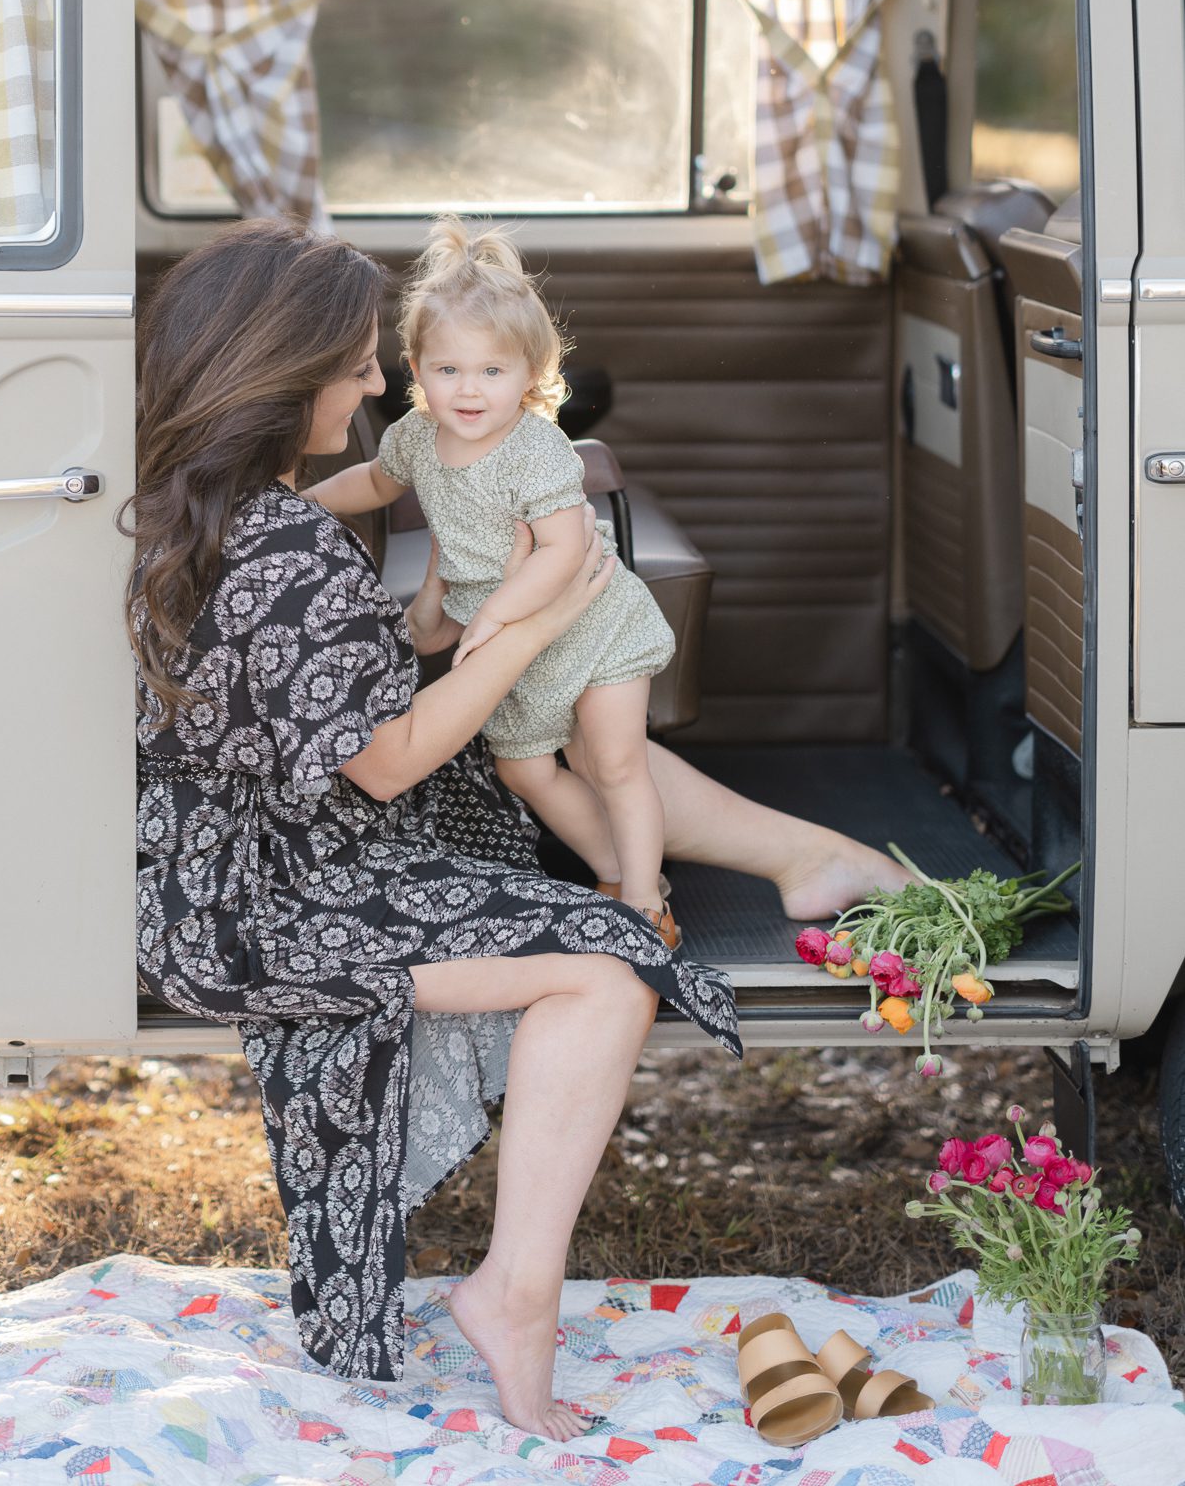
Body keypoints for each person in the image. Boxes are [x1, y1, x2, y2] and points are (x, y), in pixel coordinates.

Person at [126, 218, 908, 1441]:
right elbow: (383, 764)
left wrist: (458, 630)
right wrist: (527, 632)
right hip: (258, 897)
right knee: (610, 971)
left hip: (260, 838)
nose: (380, 380)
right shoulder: (281, 547)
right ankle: (514, 1293)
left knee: (528, 731)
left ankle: (799, 855)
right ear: (283, 370)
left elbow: (334, 688)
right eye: (358, 361)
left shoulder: (227, 504)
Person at [306, 215, 682, 947]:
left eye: (492, 371)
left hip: (590, 625)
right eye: (447, 371)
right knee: (523, 771)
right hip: (512, 643)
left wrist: (494, 617)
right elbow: (377, 483)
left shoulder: (538, 450)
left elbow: (562, 551)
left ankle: (643, 903)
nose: (469, 391)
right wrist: (305, 503)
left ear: (533, 376)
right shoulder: (416, 437)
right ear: (415, 370)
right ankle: (614, 867)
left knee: (614, 761)